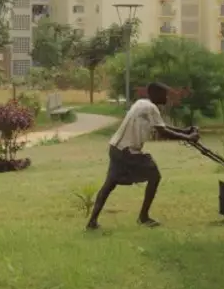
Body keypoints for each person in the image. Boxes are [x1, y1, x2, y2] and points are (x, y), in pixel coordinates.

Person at [86, 82, 200, 230]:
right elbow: (163, 132)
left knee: (109, 185)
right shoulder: (151, 107)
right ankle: (143, 217)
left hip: (116, 148)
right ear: (156, 95)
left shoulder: (141, 104)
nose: (166, 98)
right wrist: (188, 137)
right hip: (128, 151)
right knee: (154, 175)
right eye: (164, 95)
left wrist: (184, 131)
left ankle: (92, 222)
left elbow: (161, 126)